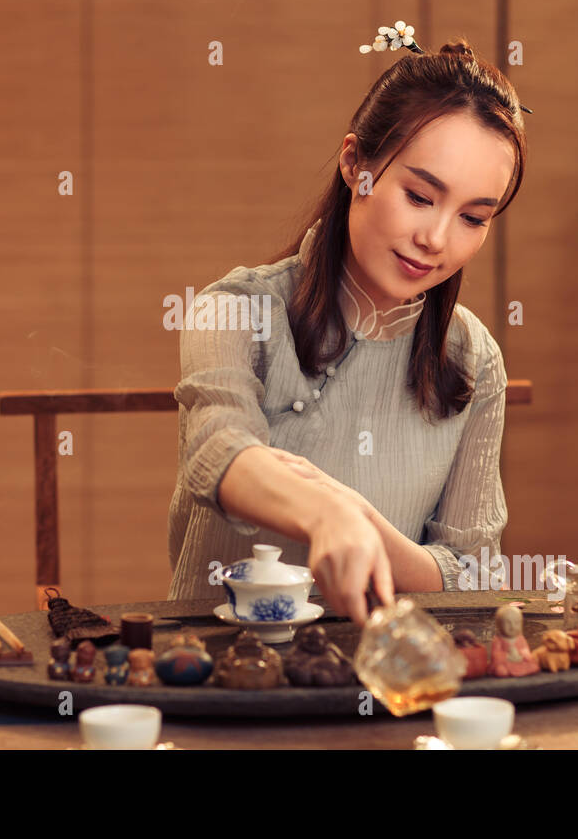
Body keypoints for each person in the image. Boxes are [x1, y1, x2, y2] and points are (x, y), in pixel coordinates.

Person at [166, 33, 529, 626]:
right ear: (355, 164)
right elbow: (217, 449)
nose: (436, 239)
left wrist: (363, 525)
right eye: (418, 195)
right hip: (219, 681)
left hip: (380, 681)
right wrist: (323, 514)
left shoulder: (473, 358)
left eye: (471, 217)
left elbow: (475, 575)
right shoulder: (234, 309)